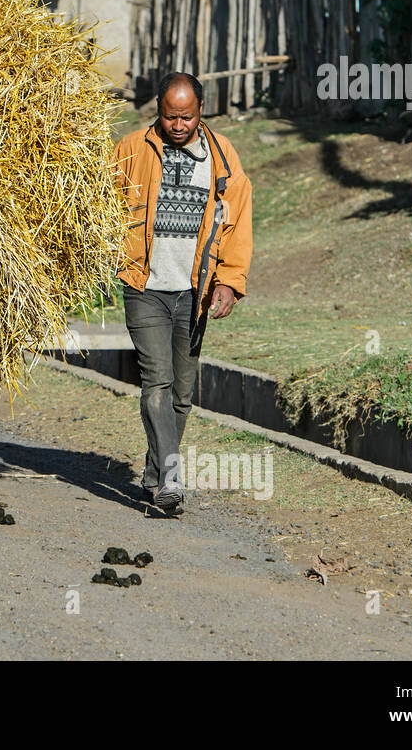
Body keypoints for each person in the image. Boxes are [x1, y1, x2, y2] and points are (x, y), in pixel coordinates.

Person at [110, 72, 253, 514]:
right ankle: (172, 478)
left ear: (201, 110)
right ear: (158, 109)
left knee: (182, 394)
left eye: (186, 117)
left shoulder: (222, 156)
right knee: (157, 380)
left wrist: (229, 281)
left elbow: (237, 222)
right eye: (169, 116)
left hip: (194, 291)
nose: (177, 125)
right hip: (144, 285)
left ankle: (155, 477)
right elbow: (101, 206)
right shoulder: (131, 149)